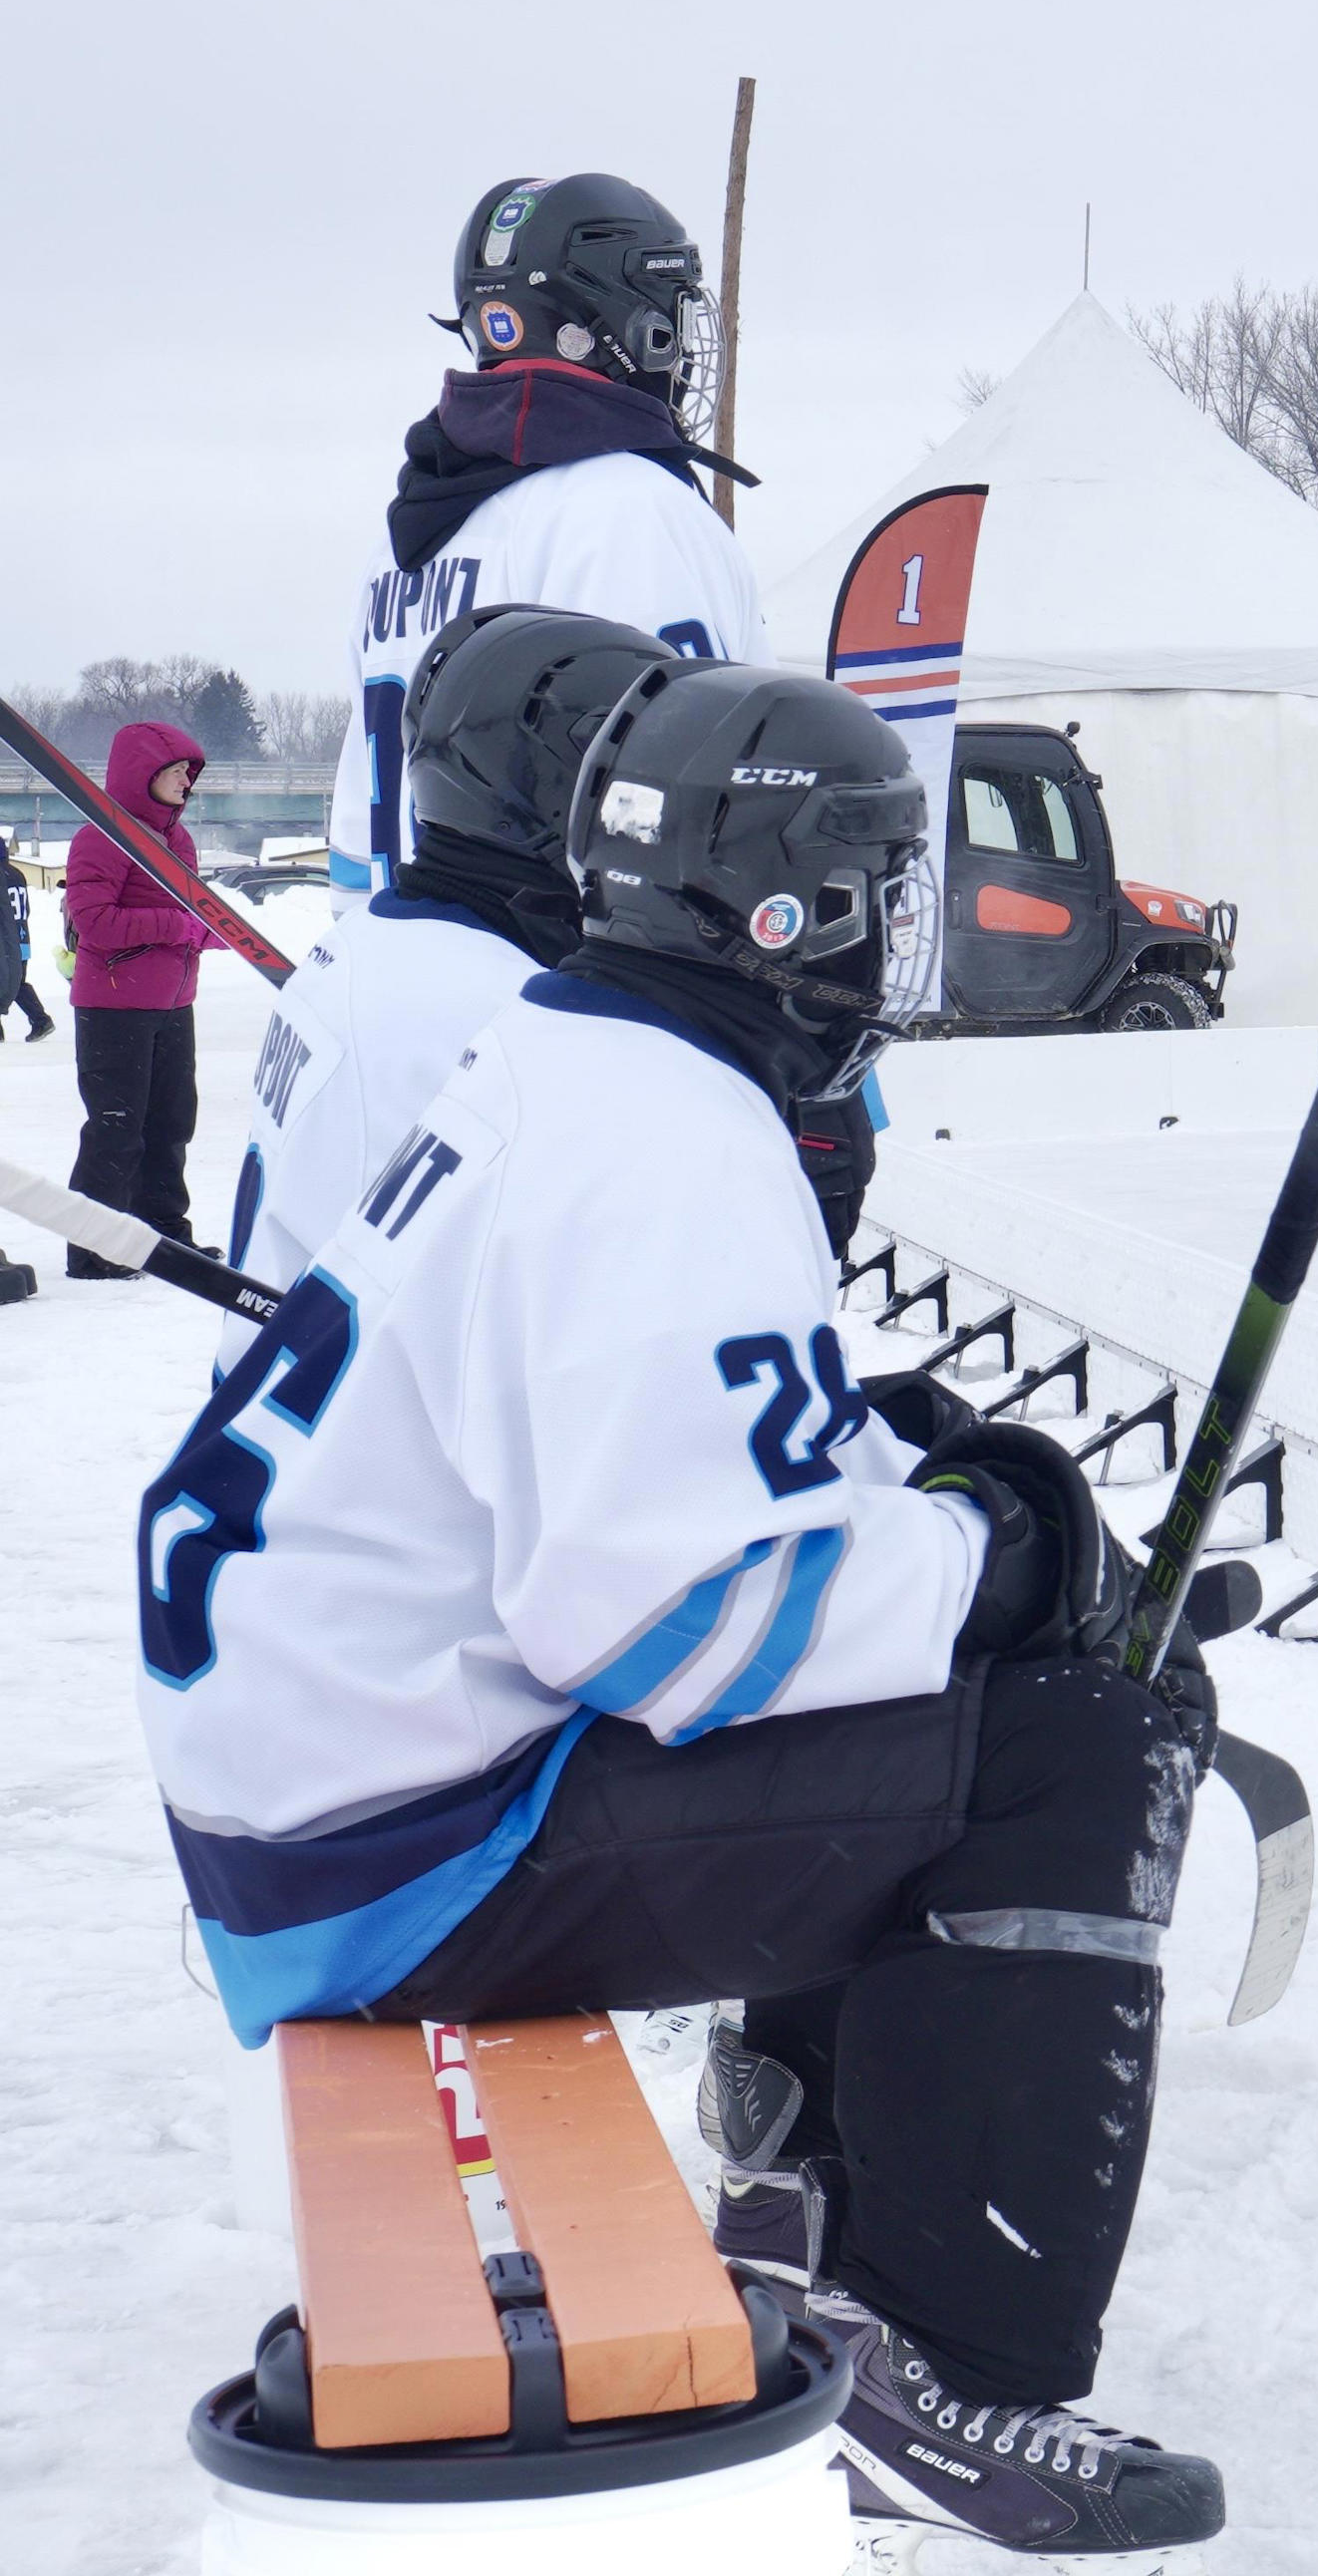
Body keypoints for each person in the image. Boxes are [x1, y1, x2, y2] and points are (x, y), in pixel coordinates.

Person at [136, 664, 1221, 2562]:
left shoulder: (572, 1051)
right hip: (396, 1857)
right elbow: (685, 1635)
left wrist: (926, 1495)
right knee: (1081, 1733)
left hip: (319, 1788)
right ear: (786, 902)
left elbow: (676, 1484)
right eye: (883, 882)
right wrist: (1000, 1561)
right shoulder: (670, 1137)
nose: (903, 931)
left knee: (950, 1685)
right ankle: (944, 2364)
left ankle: (819, 2176)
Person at [327, 173, 760, 895]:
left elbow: (350, 855)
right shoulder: (632, 510)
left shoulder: (403, 537)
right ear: (627, 322)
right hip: (558, 996)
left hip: (405, 979)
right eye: (672, 311)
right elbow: (696, 820)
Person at [224, 606, 675, 1296]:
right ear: (563, 786)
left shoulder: (368, 947)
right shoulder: (502, 1016)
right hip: (394, 1403)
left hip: (296, 1385)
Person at [63, 719, 217, 1277]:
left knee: (172, 1122)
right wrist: (181, 927)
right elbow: (95, 922)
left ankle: (164, 1235)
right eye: (176, 772)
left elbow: (192, 915)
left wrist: (206, 929)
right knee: (116, 1128)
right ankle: (94, 1247)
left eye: (188, 774)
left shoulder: (178, 840)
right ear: (141, 774)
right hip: (113, 1006)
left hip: (174, 1004)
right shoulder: (98, 837)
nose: (185, 783)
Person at [1, 830, 50, 1040]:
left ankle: (41, 1020)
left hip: (5, 937)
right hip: (21, 935)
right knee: (16, 981)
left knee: (11, 982)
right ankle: (40, 1019)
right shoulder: (17, 874)